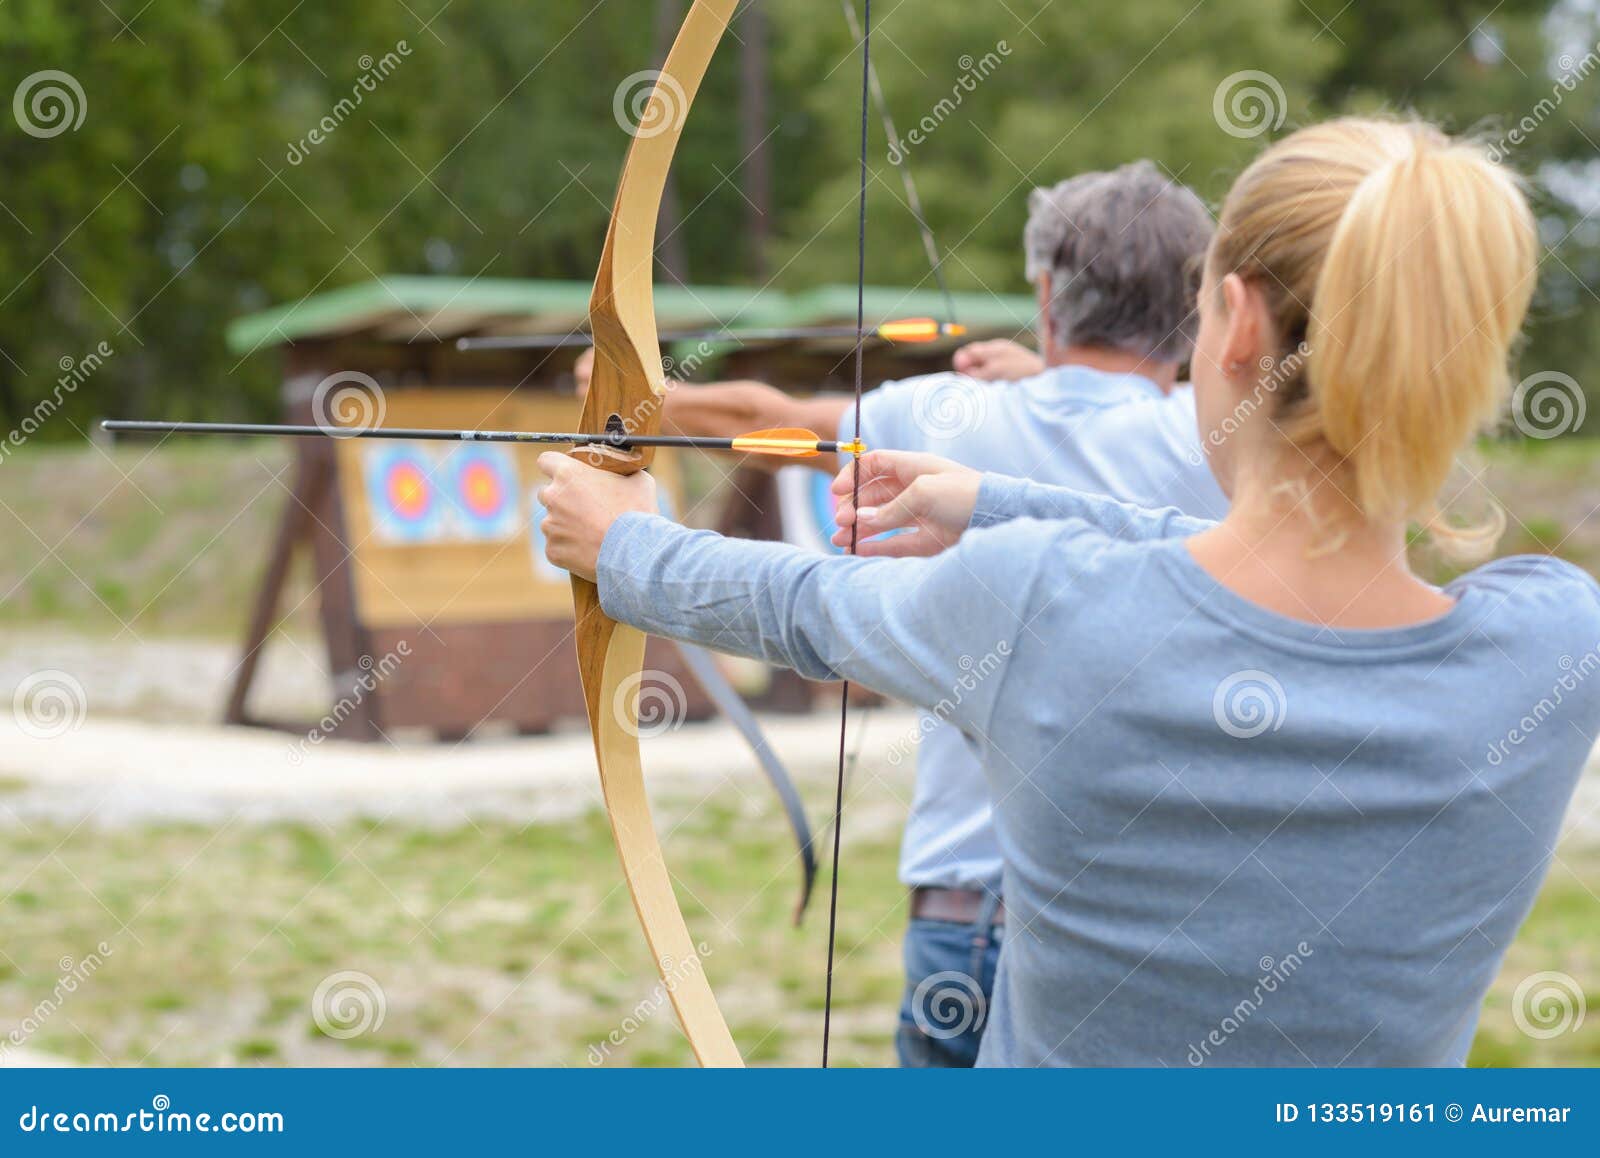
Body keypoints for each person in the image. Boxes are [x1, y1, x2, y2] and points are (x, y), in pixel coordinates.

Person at [538, 117, 1600, 1066]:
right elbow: (1286, 578)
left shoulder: (1038, 603)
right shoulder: (1551, 646)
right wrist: (994, 498)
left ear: (1234, 326)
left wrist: (624, 544)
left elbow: (804, 606)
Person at [576, 160, 1223, 1066]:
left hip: (970, 913)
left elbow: (770, 423)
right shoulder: (1226, 439)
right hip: (1156, 910)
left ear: (1045, 293)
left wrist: (636, 397)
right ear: (1198, 310)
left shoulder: (940, 414)